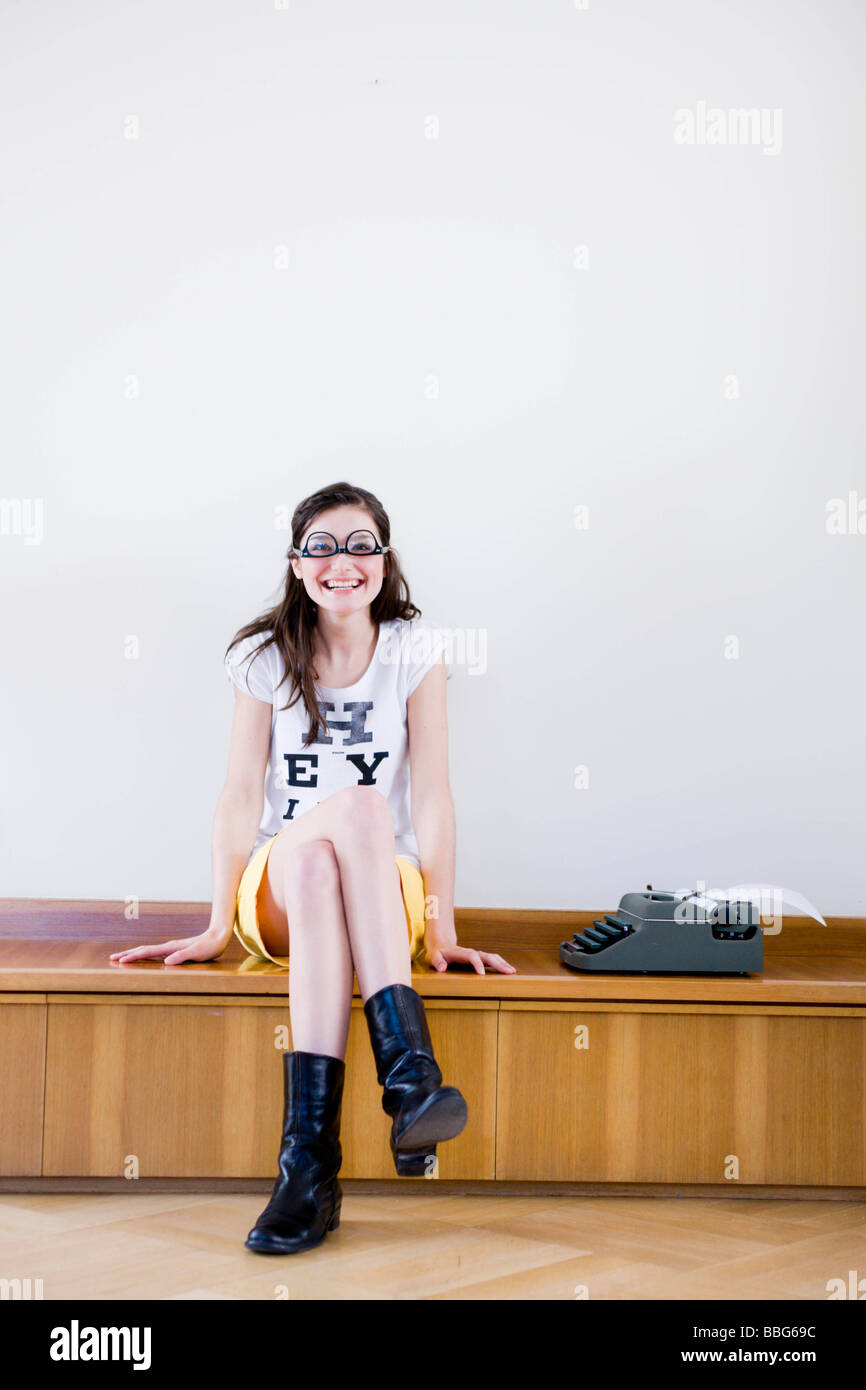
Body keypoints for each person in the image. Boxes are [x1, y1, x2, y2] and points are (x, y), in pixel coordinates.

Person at [110, 479, 515, 1255]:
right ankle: (408, 1079)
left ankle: (306, 1173)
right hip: (275, 889)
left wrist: (441, 928)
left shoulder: (415, 651)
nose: (342, 561)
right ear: (297, 565)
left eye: (360, 545)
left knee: (338, 854)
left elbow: (432, 797)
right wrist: (215, 923)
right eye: (322, 547)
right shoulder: (263, 657)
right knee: (355, 812)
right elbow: (238, 796)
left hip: (377, 890)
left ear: (384, 561)